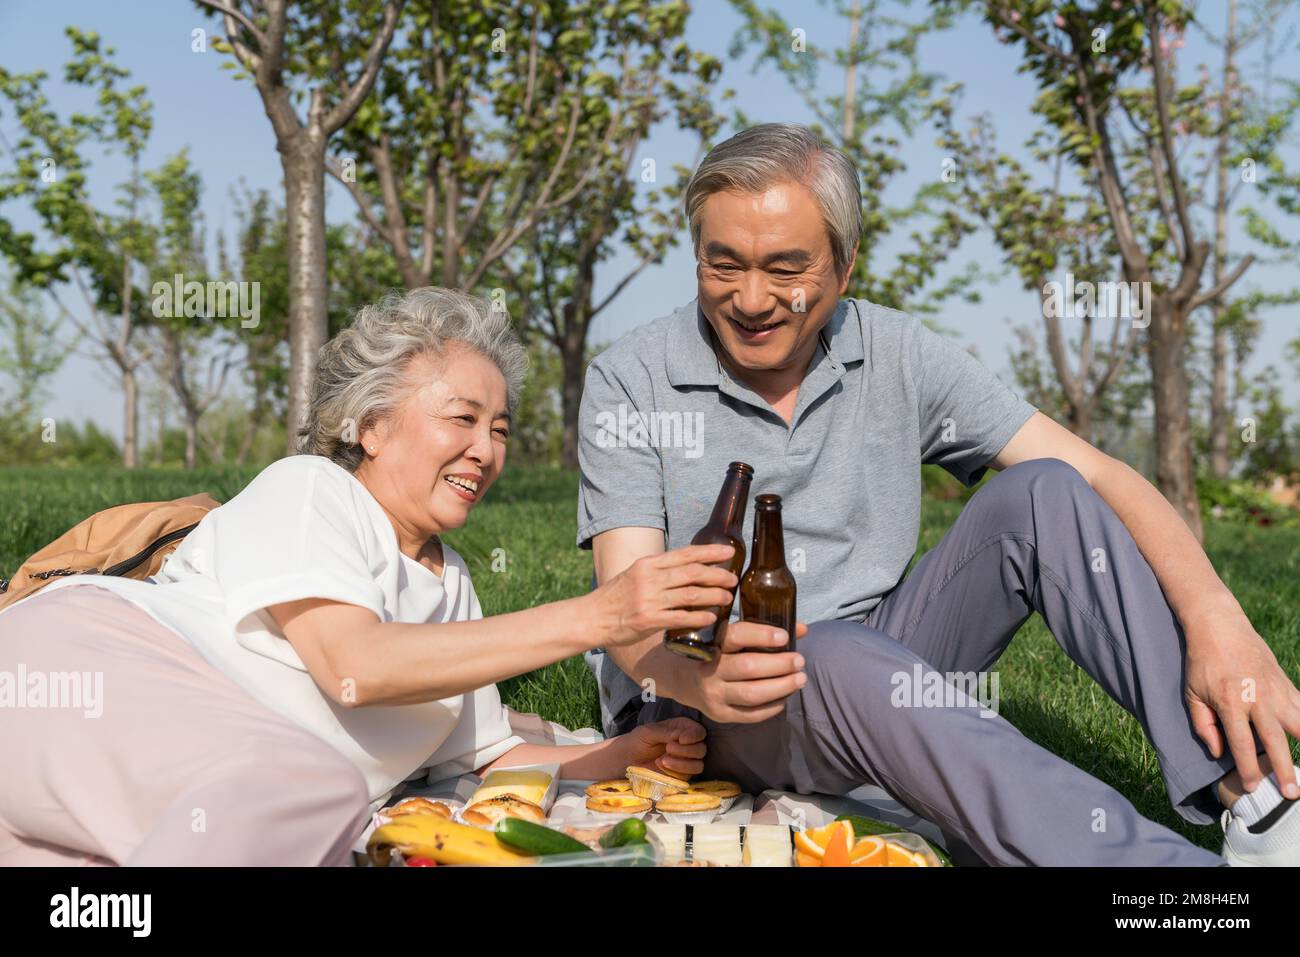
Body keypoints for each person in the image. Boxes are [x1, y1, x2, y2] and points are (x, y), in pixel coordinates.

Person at [577, 123, 1300, 866]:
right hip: (707, 700)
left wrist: (1219, 621)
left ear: (845, 266)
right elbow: (626, 619)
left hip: (883, 662)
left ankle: (1262, 804)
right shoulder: (631, 378)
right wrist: (702, 676)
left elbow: (1108, 478)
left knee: (1044, 492)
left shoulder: (897, 352)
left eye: (786, 268)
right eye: (721, 263)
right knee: (833, 653)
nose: (752, 299)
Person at [0, 287, 731, 866]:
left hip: (190, 779)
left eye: (500, 428)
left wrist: (618, 754)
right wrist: (597, 617)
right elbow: (354, 665)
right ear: (370, 426)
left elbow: (486, 754)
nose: (485, 449)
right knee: (314, 791)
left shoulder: (454, 584)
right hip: (97, 669)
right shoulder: (314, 491)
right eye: (462, 418)